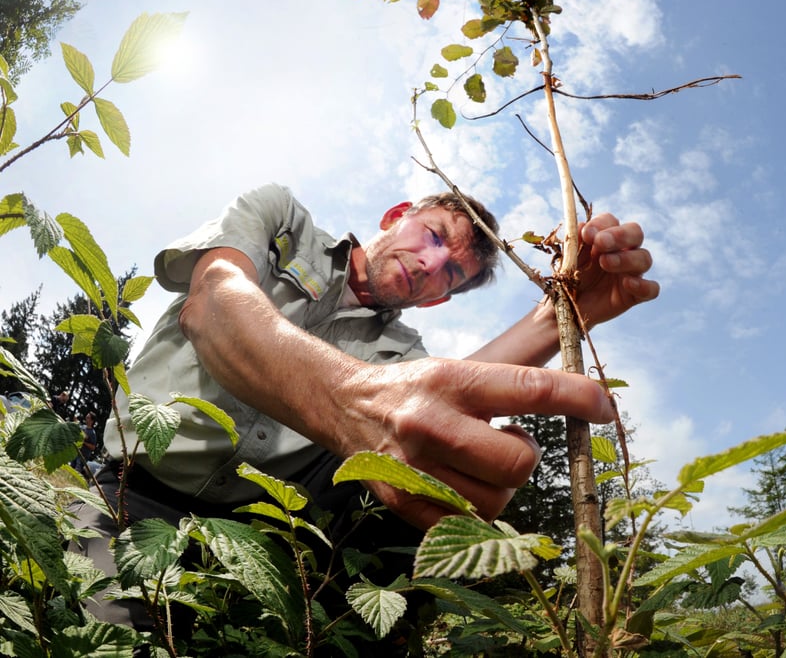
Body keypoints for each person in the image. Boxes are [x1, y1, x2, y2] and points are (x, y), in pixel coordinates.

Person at [71, 183, 658, 640]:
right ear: (396, 214)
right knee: (96, 627)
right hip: (130, 493)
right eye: (431, 235)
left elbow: (450, 393)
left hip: (255, 533)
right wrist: (353, 403)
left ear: (438, 299)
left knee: (417, 459)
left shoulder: (402, 353)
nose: (431, 263)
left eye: (449, 273)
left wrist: (562, 309)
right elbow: (216, 302)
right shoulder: (282, 220)